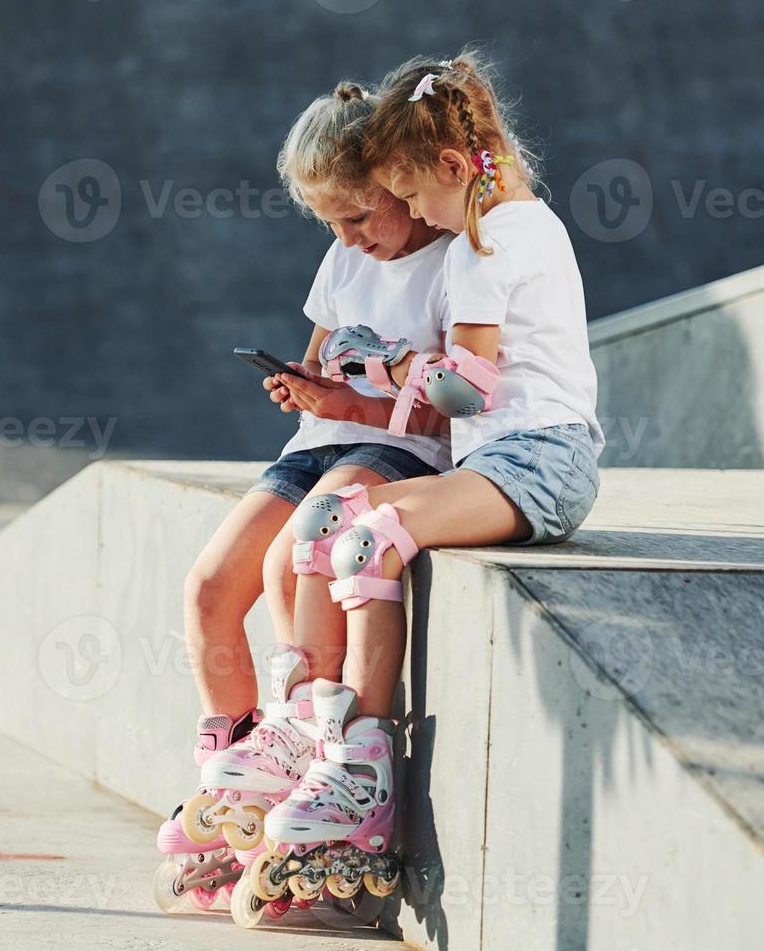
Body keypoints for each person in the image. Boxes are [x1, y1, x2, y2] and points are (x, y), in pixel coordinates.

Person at [256, 50, 604, 884]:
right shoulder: (511, 224)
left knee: (365, 540)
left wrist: (384, 366)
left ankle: (363, 771)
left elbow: (463, 392)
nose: (414, 213)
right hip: (512, 458)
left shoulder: (485, 240)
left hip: (540, 460)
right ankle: (314, 732)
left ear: (453, 167)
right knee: (326, 525)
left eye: (412, 196)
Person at [156, 82, 454, 895]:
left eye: (360, 217)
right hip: (317, 445)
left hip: (398, 455)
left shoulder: (450, 266)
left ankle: (327, 768)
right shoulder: (343, 259)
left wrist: (354, 402)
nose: (349, 239)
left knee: (299, 555)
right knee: (211, 587)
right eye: (331, 224)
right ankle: (237, 784)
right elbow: (320, 360)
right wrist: (300, 387)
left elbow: (453, 415)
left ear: (400, 183)